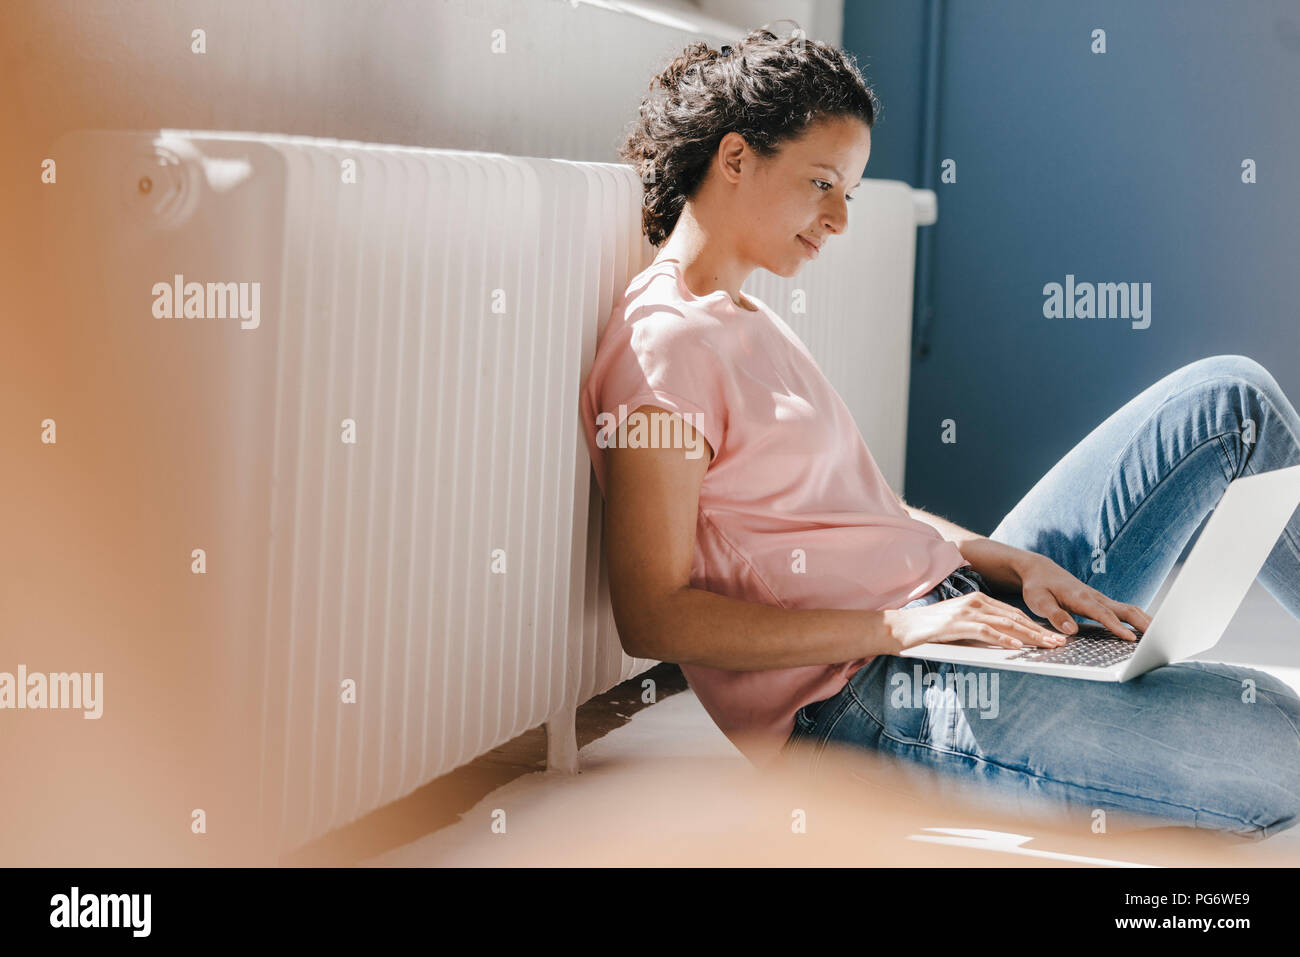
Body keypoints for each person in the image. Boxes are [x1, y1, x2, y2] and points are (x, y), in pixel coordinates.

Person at [579, 24, 1300, 840]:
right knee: (1284, 742)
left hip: (956, 611)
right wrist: (895, 628)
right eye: (822, 182)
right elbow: (653, 614)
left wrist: (1008, 559)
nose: (839, 219)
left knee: (1229, 400)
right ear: (736, 156)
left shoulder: (746, 318)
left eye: (848, 190)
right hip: (863, 698)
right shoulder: (662, 347)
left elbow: (877, 513)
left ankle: (1072, 661)